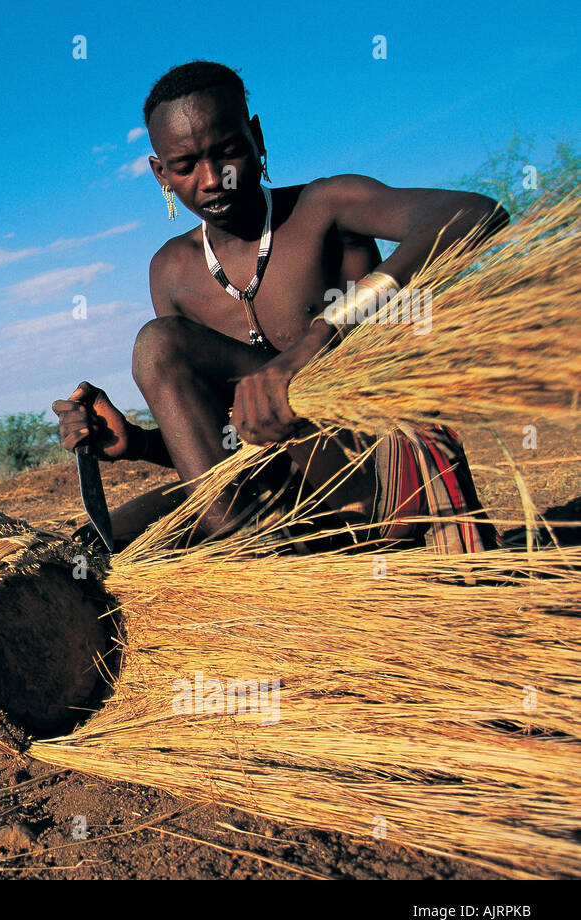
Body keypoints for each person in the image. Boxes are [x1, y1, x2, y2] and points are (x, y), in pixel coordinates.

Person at [53, 60, 505, 552]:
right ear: (161, 172)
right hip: (289, 494)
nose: (211, 179)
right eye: (184, 166)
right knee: (100, 542)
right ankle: (259, 557)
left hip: (377, 472)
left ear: (256, 137)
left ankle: (260, 566)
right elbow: (226, 445)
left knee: (158, 345)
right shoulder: (172, 271)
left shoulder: (324, 208)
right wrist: (137, 443)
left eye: (226, 152)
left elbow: (475, 214)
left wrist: (322, 334)